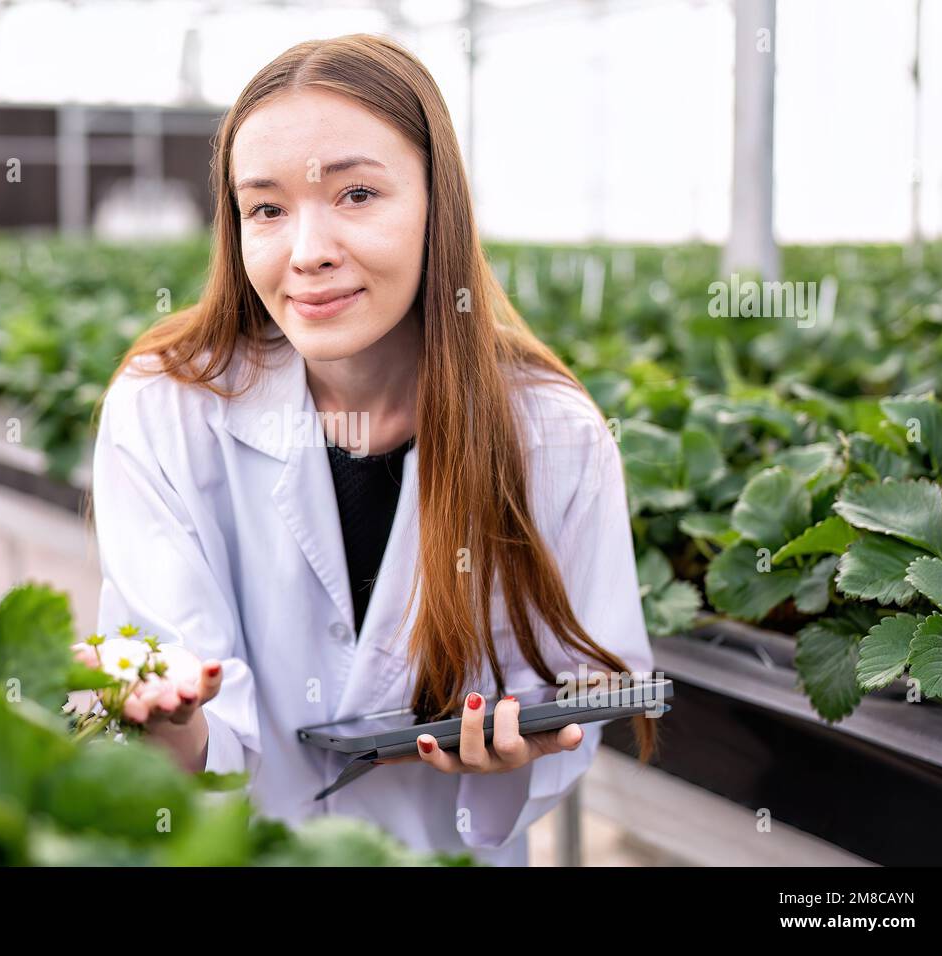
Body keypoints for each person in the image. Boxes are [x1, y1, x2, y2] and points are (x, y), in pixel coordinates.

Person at [90, 33, 656, 867]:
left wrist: (515, 754)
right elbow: (194, 735)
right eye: (267, 209)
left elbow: (589, 690)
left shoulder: (556, 434)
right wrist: (171, 720)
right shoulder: (165, 406)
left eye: (356, 193)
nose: (307, 250)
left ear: (439, 204)